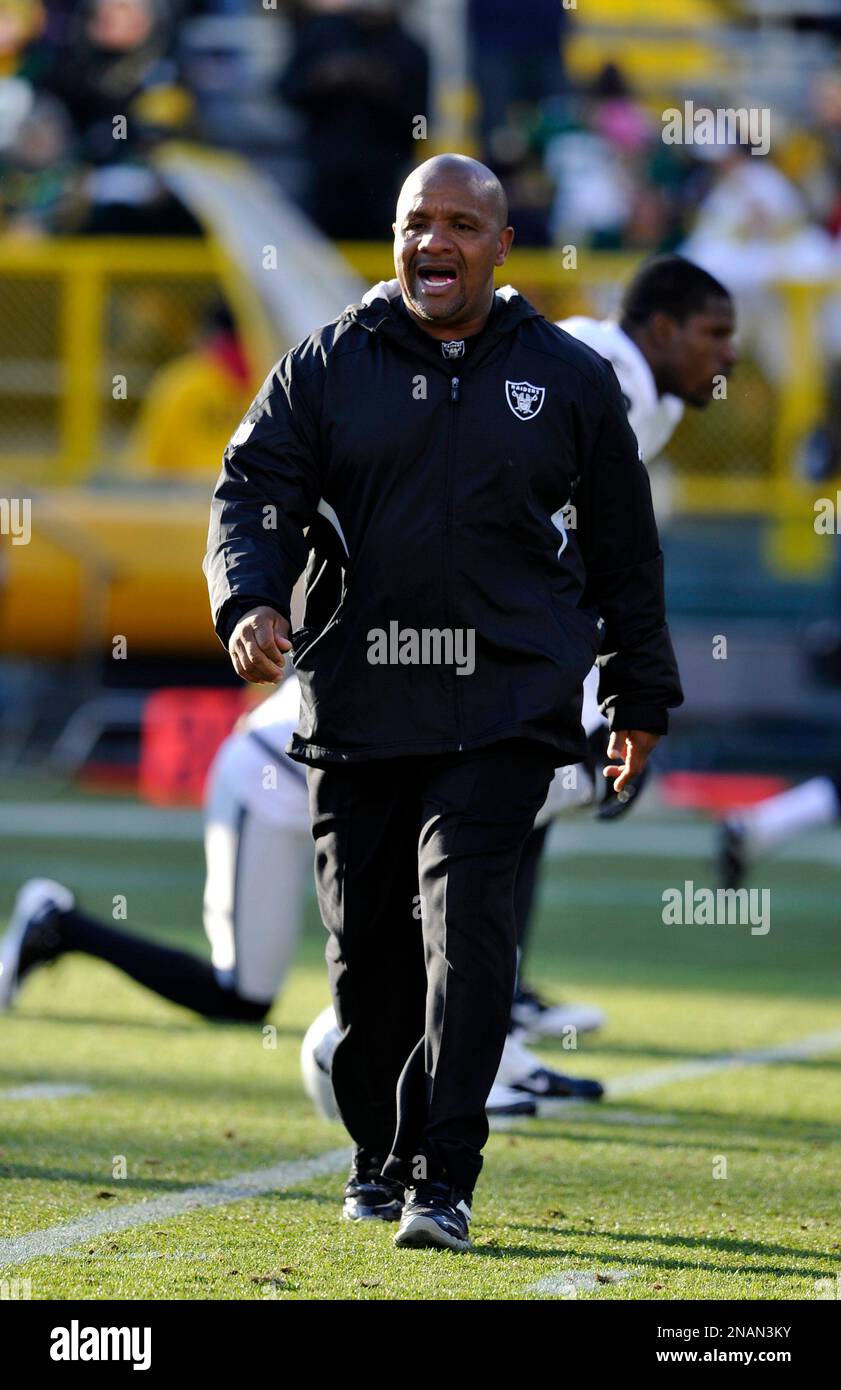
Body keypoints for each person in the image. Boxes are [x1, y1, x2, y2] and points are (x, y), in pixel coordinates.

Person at [204, 153, 683, 1252]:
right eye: (419, 221)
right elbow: (252, 492)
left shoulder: (565, 377)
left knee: (469, 941)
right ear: (395, 237)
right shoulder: (326, 364)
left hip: (506, 705)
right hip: (360, 706)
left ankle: (444, 1179)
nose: (436, 242)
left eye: (462, 224)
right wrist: (246, 600)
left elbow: (623, 552)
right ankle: (377, 1155)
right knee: (368, 960)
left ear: (499, 247)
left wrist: (640, 696)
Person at [0, 672, 603, 1113]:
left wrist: (504, 990)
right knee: (242, 994)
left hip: (367, 783)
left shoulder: (563, 694)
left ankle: (490, 1056)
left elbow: (509, 866)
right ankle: (60, 924)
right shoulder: (548, 687)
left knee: (452, 903)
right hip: (271, 776)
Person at [512, 254, 737, 1026]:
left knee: (530, 797)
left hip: (518, 611)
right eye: (714, 333)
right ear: (663, 328)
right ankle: (454, 1010)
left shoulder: (654, 400)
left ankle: (494, 997)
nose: (729, 354)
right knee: (506, 796)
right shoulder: (597, 370)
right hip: (470, 609)